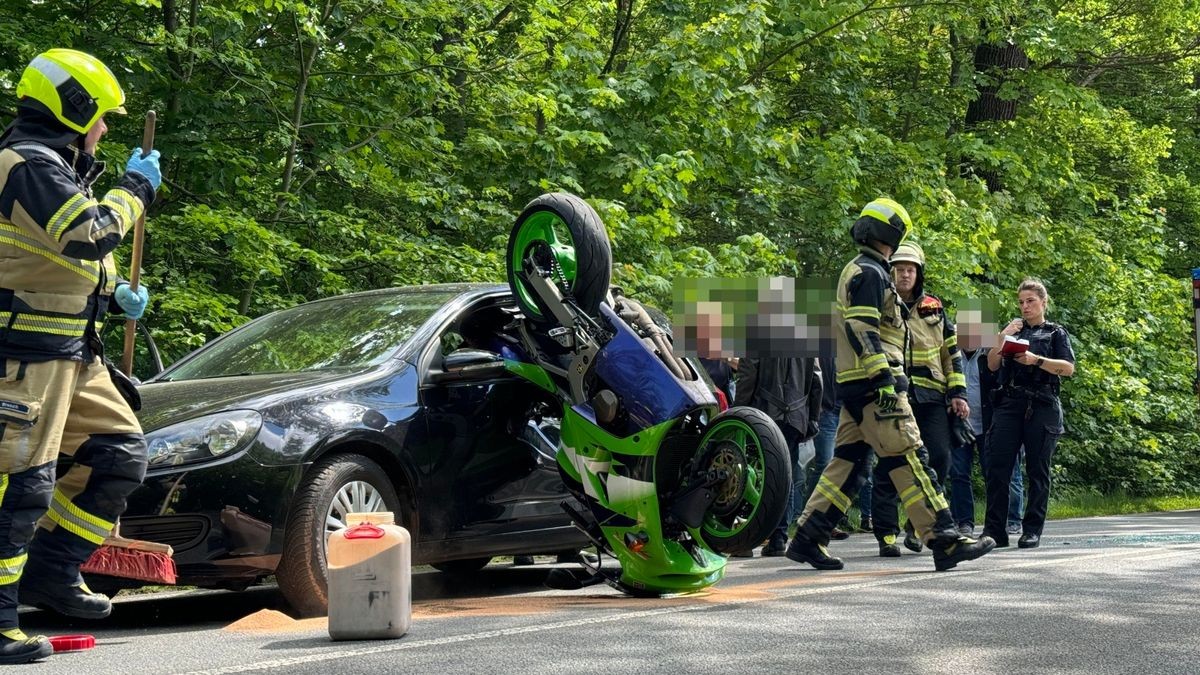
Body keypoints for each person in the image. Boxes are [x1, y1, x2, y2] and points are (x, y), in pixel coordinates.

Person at [0, 49, 161, 664]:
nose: (106, 128)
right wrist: (136, 189)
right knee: (22, 486)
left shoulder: (60, 168)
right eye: (103, 116)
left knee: (119, 455)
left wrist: (115, 297)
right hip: (24, 358)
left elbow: (71, 261)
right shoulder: (26, 164)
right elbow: (88, 233)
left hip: (74, 353)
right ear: (76, 108)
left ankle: (51, 571)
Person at [786, 198, 994, 571]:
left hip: (856, 384)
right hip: (875, 384)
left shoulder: (860, 269)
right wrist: (883, 377)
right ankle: (944, 539)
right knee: (911, 455)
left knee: (848, 465)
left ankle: (806, 537)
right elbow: (863, 327)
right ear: (892, 233)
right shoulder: (871, 272)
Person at [871, 242, 969, 557]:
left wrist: (958, 393)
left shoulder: (934, 307)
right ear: (892, 272)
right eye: (899, 269)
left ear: (919, 273)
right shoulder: (880, 304)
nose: (905, 274)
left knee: (939, 458)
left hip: (930, 396)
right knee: (889, 462)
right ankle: (886, 534)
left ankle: (916, 526)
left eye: (910, 270)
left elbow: (950, 352)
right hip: (893, 393)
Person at [983, 279, 1075, 549]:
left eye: (1030, 301)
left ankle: (1031, 529)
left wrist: (1037, 360)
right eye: (1021, 302)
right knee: (998, 467)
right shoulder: (1012, 331)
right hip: (1010, 403)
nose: (1025, 306)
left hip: (1042, 404)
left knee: (1037, 469)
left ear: (1043, 302)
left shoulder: (1056, 332)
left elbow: (1068, 368)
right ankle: (994, 530)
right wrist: (1002, 336)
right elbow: (991, 364)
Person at [733, 356, 822, 556]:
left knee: (751, 474)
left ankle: (745, 541)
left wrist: (738, 410)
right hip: (796, 417)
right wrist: (813, 418)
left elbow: (747, 375)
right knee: (786, 477)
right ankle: (779, 539)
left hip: (763, 414)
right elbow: (817, 380)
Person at [948, 306, 1025, 536]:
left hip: (991, 423)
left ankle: (1011, 518)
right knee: (959, 474)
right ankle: (964, 522)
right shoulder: (951, 355)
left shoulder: (992, 353)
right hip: (960, 425)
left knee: (1002, 473)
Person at [809, 355, 866, 537]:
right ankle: (812, 517)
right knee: (824, 464)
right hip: (826, 410)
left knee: (847, 466)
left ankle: (833, 519)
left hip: (848, 407)